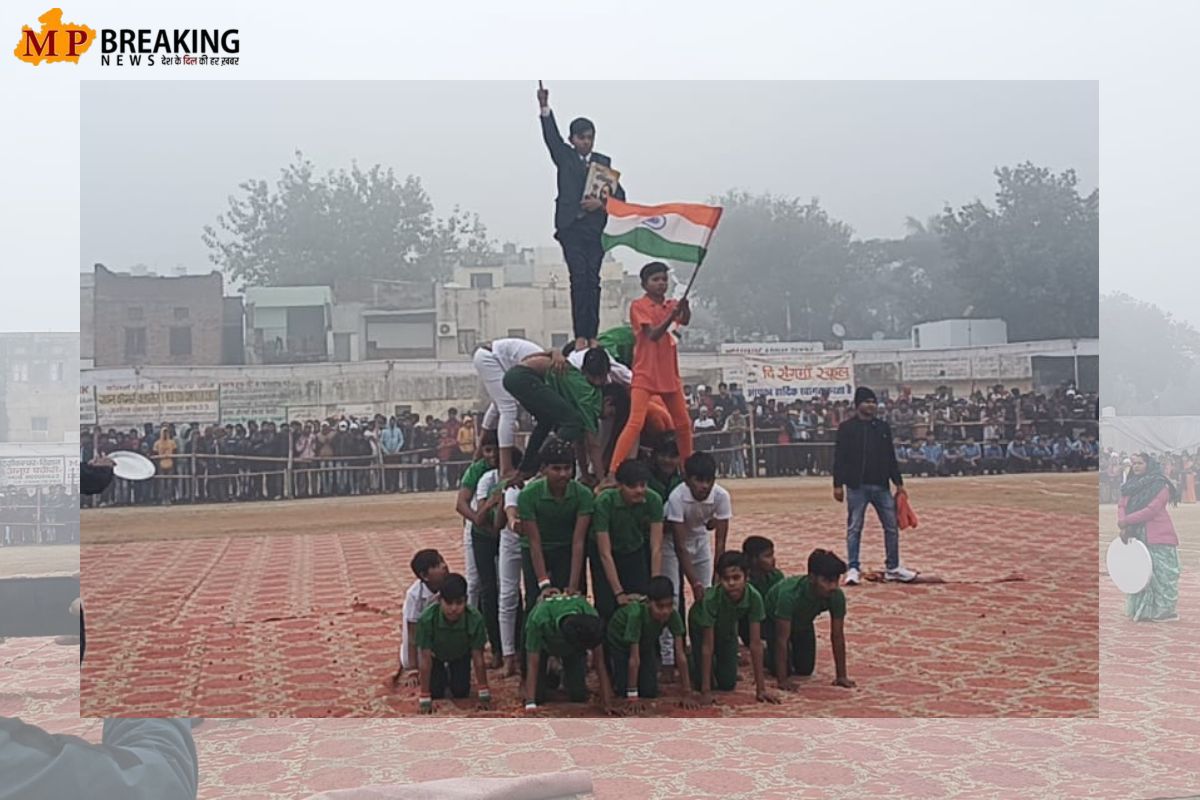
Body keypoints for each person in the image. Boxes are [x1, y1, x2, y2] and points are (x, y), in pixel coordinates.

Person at [537, 81, 626, 351]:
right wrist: (544, 108)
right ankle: (580, 335)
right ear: (573, 139)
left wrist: (600, 205)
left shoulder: (603, 163)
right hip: (571, 228)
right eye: (581, 138)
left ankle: (593, 334)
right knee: (578, 279)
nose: (586, 142)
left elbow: (620, 197)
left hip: (595, 230)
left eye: (590, 138)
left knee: (593, 280)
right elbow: (551, 138)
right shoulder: (565, 157)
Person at [606, 262, 695, 479]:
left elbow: (685, 320)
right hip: (645, 374)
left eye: (664, 279)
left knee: (683, 424)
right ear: (644, 284)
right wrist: (672, 314)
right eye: (655, 279)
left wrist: (684, 307)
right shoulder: (639, 306)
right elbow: (653, 335)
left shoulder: (670, 305)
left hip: (669, 374)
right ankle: (613, 471)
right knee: (635, 423)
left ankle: (688, 469)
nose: (661, 283)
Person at [833, 386, 917, 586]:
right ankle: (853, 567)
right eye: (866, 402)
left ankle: (893, 567)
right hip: (856, 486)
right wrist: (837, 484)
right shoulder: (847, 428)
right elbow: (840, 458)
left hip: (881, 486)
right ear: (857, 405)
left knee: (891, 527)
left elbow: (890, 457)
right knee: (855, 527)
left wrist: (899, 483)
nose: (871, 405)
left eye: (873, 402)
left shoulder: (882, 427)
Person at [658, 451, 732, 668]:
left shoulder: (721, 496)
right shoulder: (677, 497)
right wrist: (694, 582)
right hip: (671, 542)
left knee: (709, 595)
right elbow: (680, 546)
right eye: (699, 480)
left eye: (709, 480)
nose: (704, 486)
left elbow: (720, 542)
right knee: (670, 597)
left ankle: (708, 649)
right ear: (687, 479)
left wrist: (718, 574)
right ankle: (668, 656)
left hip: (699, 539)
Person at [687, 551, 779, 705]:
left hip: (728, 629)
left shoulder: (754, 597)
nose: (731, 583)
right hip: (701, 627)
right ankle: (691, 657)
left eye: (736, 578)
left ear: (746, 576)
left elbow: (756, 644)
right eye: (726, 579)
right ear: (719, 579)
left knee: (727, 684)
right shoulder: (711, 599)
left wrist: (761, 689)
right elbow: (707, 645)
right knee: (702, 678)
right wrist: (706, 691)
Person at [504, 349, 609, 480]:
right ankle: (542, 465)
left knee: (546, 421)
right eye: (611, 411)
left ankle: (525, 468)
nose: (608, 416)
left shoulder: (577, 377)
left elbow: (580, 440)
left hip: (515, 375)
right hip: (524, 377)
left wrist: (586, 475)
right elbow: (593, 443)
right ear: (607, 401)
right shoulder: (587, 393)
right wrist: (602, 480)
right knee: (572, 422)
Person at [515, 439, 594, 609]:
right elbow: (534, 542)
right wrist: (544, 584)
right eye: (556, 469)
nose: (563, 474)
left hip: (567, 548)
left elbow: (578, 541)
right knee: (536, 603)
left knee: (573, 602)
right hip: (536, 548)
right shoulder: (528, 495)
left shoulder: (583, 494)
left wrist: (573, 585)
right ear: (543, 470)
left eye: (567, 468)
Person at [765, 549, 856, 691]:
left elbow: (837, 636)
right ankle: (767, 653)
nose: (833, 586)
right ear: (812, 578)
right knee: (780, 667)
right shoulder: (788, 595)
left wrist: (841, 676)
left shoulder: (836, 596)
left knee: (805, 669)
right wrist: (782, 681)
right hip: (774, 620)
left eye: (835, 580)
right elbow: (781, 639)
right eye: (826, 581)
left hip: (803, 623)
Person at [605, 576, 697, 713]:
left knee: (649, 691)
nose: (665, 611)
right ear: (648, 602)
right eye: (660, 606)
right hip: (620, 643)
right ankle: (612, 672)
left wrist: (687, 692)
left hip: (645, 645)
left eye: (669, 605)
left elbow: (680, 654)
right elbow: (634, 659)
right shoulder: (636, 615)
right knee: (623, 690)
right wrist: (632, 696)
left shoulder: (673, 615)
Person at [475, 337, 564, 477]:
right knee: (508, 409)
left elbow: (495, 407)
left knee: (500, 405)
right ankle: (506, 468)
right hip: (490, 357)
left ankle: (478, 454)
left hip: (491, 357)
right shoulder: (548, 366)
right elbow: (553, 351)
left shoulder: (544, 366)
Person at [589, 459, 663, 621]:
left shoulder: (654, 500)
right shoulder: (604, 502)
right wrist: (618, 592)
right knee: (607, 606)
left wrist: (655, 585)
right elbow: (604, 553)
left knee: (642, 603)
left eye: (643, 485)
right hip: (605, 551)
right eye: (633, 486)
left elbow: (656, 546)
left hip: (634, 548)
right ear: (619, 485)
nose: (639, 490)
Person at [522, 592, 616, 714]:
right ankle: (550, 672)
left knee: (579, 695)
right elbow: (532, 664)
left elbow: (600, 663)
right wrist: (530, 704)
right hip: (543, 647)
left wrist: (607, 703)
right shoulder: (538, 619)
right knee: (537, 696)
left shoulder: (589, 616)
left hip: (572, 650)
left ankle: (562, 674)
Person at [1118, 453, 1182, 622]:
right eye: (1134, 463)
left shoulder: (1160, 485)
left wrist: (1126, 521)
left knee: (1163, 575)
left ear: (1149, 464)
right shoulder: (1130, 486)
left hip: (1159, 536)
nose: (1136, 466)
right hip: (1136, 535)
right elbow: (1122, 505)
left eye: (1140, 463)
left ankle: (1164, 611)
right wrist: (1123, 522)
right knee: (1141, 574)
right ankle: (1144, 611)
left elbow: (1152, 510)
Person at [416, 574, 492, 713]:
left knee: (461, 692)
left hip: (461, 655)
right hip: (436, 656)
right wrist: (424, 696)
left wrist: (483, 693)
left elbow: (478, 658)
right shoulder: (427, 619)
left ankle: (453, 672)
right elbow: (425, 658)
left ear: (466, 600)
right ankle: (442, 673)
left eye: (459, 603)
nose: (454, 608)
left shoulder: (475, 619)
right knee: (436, 692)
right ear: (439, 600)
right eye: (449, 603)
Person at [453, 431, 499, 609]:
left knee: (501, 581)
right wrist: (478, 520)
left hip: (501, 529)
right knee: (474, 581)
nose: (492, 455)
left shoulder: (510, 466)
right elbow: (461, 504)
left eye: (496, 450)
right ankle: (472, 616)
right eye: (488, 450)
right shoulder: (477, 469)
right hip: (476, 528)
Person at [393, 549, 450, 687]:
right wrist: (413, 670)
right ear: (424, 576)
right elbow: (413, 634)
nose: (444, 566)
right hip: (422, 639)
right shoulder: (414, 596)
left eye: (443, 561)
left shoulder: (449, 584)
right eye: (437, 565)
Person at [740, 535, 784, 647]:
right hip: (748, 625)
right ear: (754, 559)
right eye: (767, 556)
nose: (773, 560)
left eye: (772, 554)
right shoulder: (742, 583)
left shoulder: (776, 577)